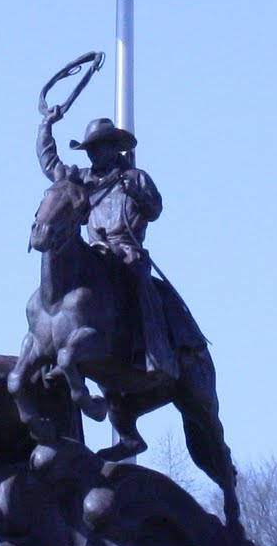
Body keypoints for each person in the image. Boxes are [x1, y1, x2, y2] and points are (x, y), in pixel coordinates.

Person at [38, 109, 180, 380]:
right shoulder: (83, 179)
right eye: (89, 149)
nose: (92, 154)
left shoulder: (136, 177)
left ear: (113, 147)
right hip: (97, 251)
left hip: (127, 252)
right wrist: (45, 127)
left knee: (140, 281)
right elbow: (50, 164)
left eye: (98, 147)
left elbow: (154, 210)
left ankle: (154, 352)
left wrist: (136, 192)